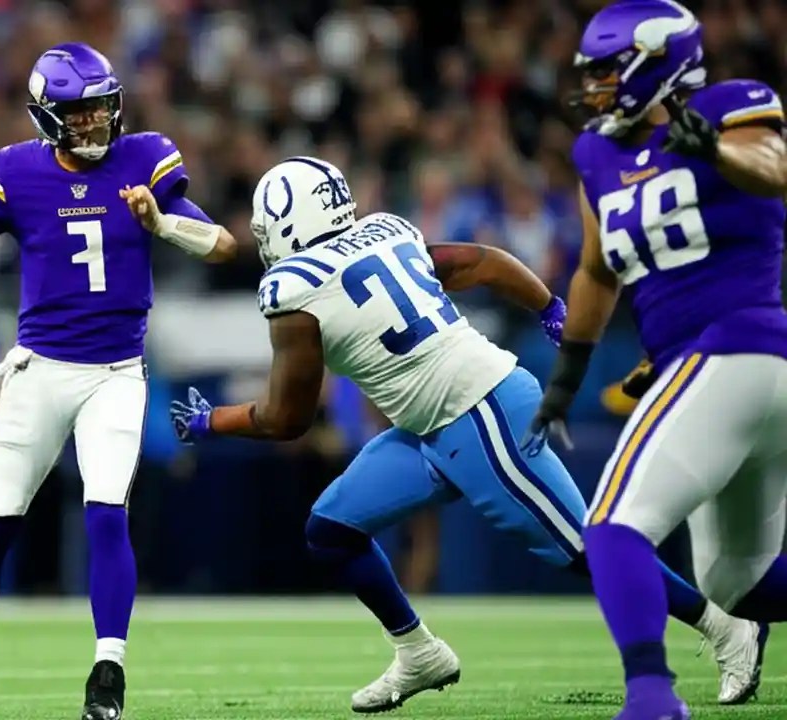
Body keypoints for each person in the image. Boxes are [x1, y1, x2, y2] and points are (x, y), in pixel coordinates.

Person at [169, 157, 762, 714]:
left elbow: (286, 418)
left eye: (267, 222)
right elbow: (481, 261)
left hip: (483, 410)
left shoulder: (293, 290)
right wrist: (550, 307)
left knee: (588, 548)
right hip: (433, 426)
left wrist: (210, 421)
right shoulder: (387, 232)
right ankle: (418, 652)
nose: (262, 234)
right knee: (332, 529)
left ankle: (725, 627)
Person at [0, 43, 237, 720]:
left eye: (101, 110)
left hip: (115, 374)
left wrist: (161, 220)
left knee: (105, 514)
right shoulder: (16, 172)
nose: (95, 124)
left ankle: (107, 674)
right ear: (47, 118)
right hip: (38, 370)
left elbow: (224, 245)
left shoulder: (147, 157)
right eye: (79, 114)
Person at [526, 2, 787, 718]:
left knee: (611, 526)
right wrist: (567, 379)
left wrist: (712, 149)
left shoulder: (733, 105)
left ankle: (651, 696)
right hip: (703, 368)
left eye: (610, 70)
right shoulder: (596, 153)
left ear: (659, 61)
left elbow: (774, 168)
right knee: (743, 585)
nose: (599, 85)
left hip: (738, 345)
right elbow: (595, 272)